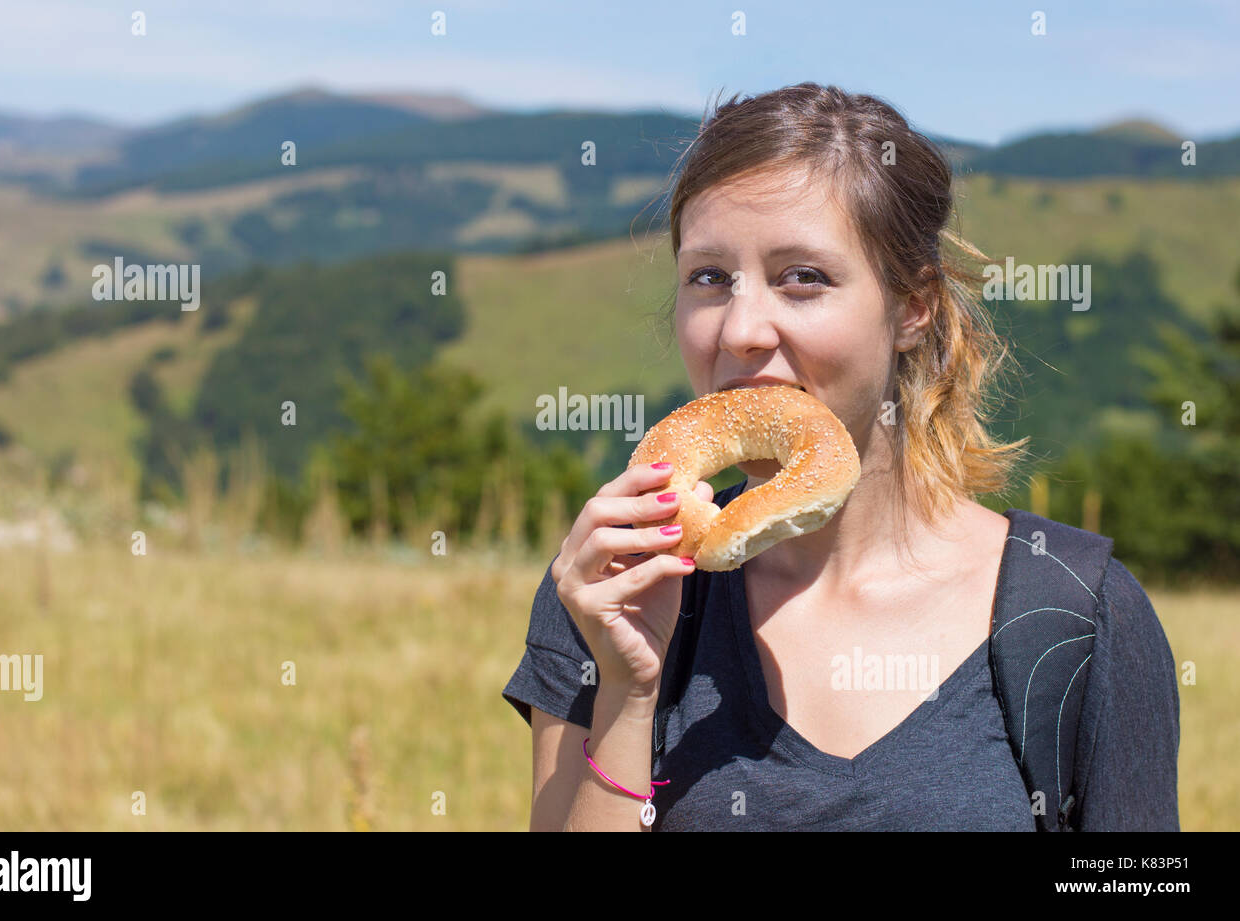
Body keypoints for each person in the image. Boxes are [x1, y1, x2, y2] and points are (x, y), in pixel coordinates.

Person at [502, 83, 1180, 831]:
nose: (741, 330)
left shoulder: (1076, 613)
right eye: (709, 277)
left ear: (912, 307)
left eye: (803, 278)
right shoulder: (610, 582)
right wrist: (629, 696)